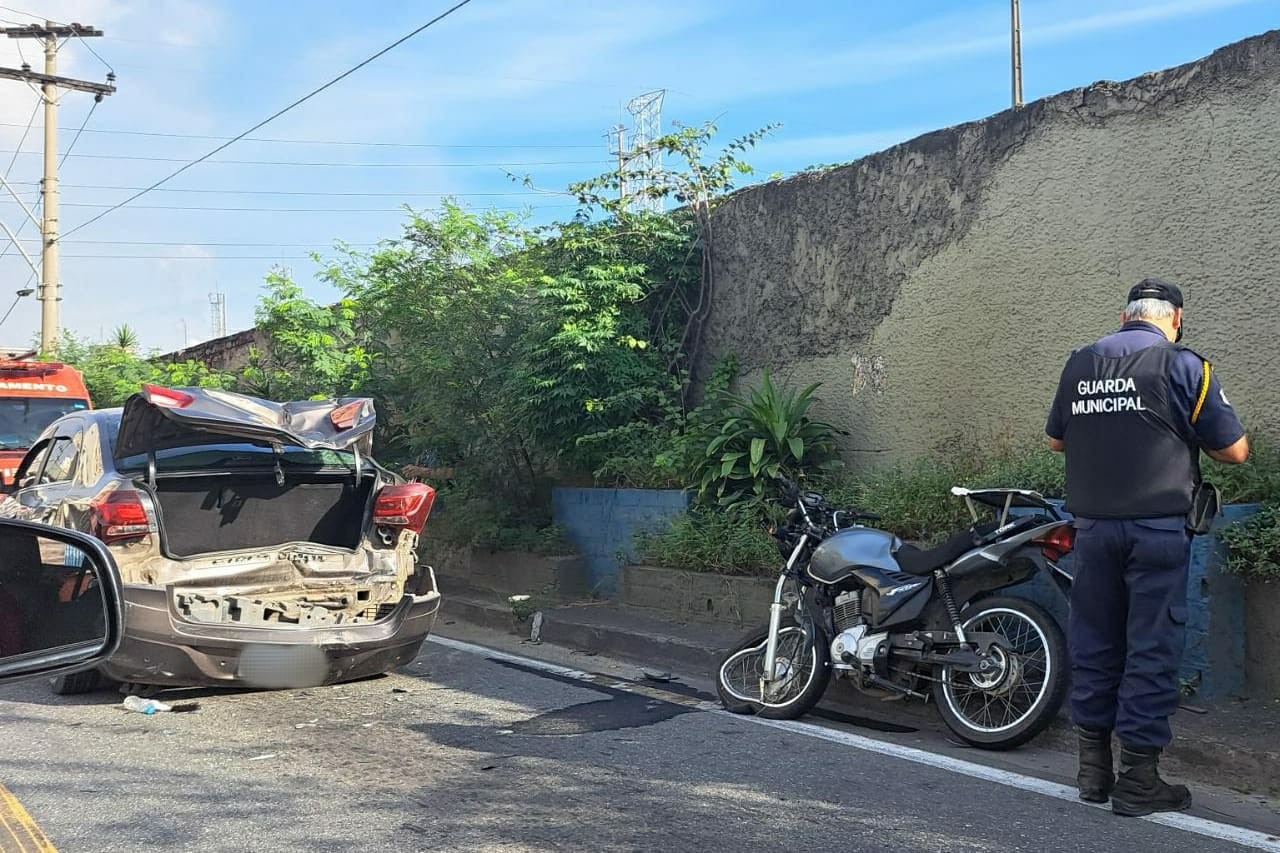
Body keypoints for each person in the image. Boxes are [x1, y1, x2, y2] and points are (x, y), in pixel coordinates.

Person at [1045, 277, 1248, 818]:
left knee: (1094, 643)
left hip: (1092, 530)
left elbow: (1056, 439)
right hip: (1157, 530)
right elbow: (1234, 451)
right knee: (1151, 648)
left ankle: (1091, 773)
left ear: (1124, 315)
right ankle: (1138, 782)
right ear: (1175, 318)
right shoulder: (1184, 365)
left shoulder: (1080, 362)